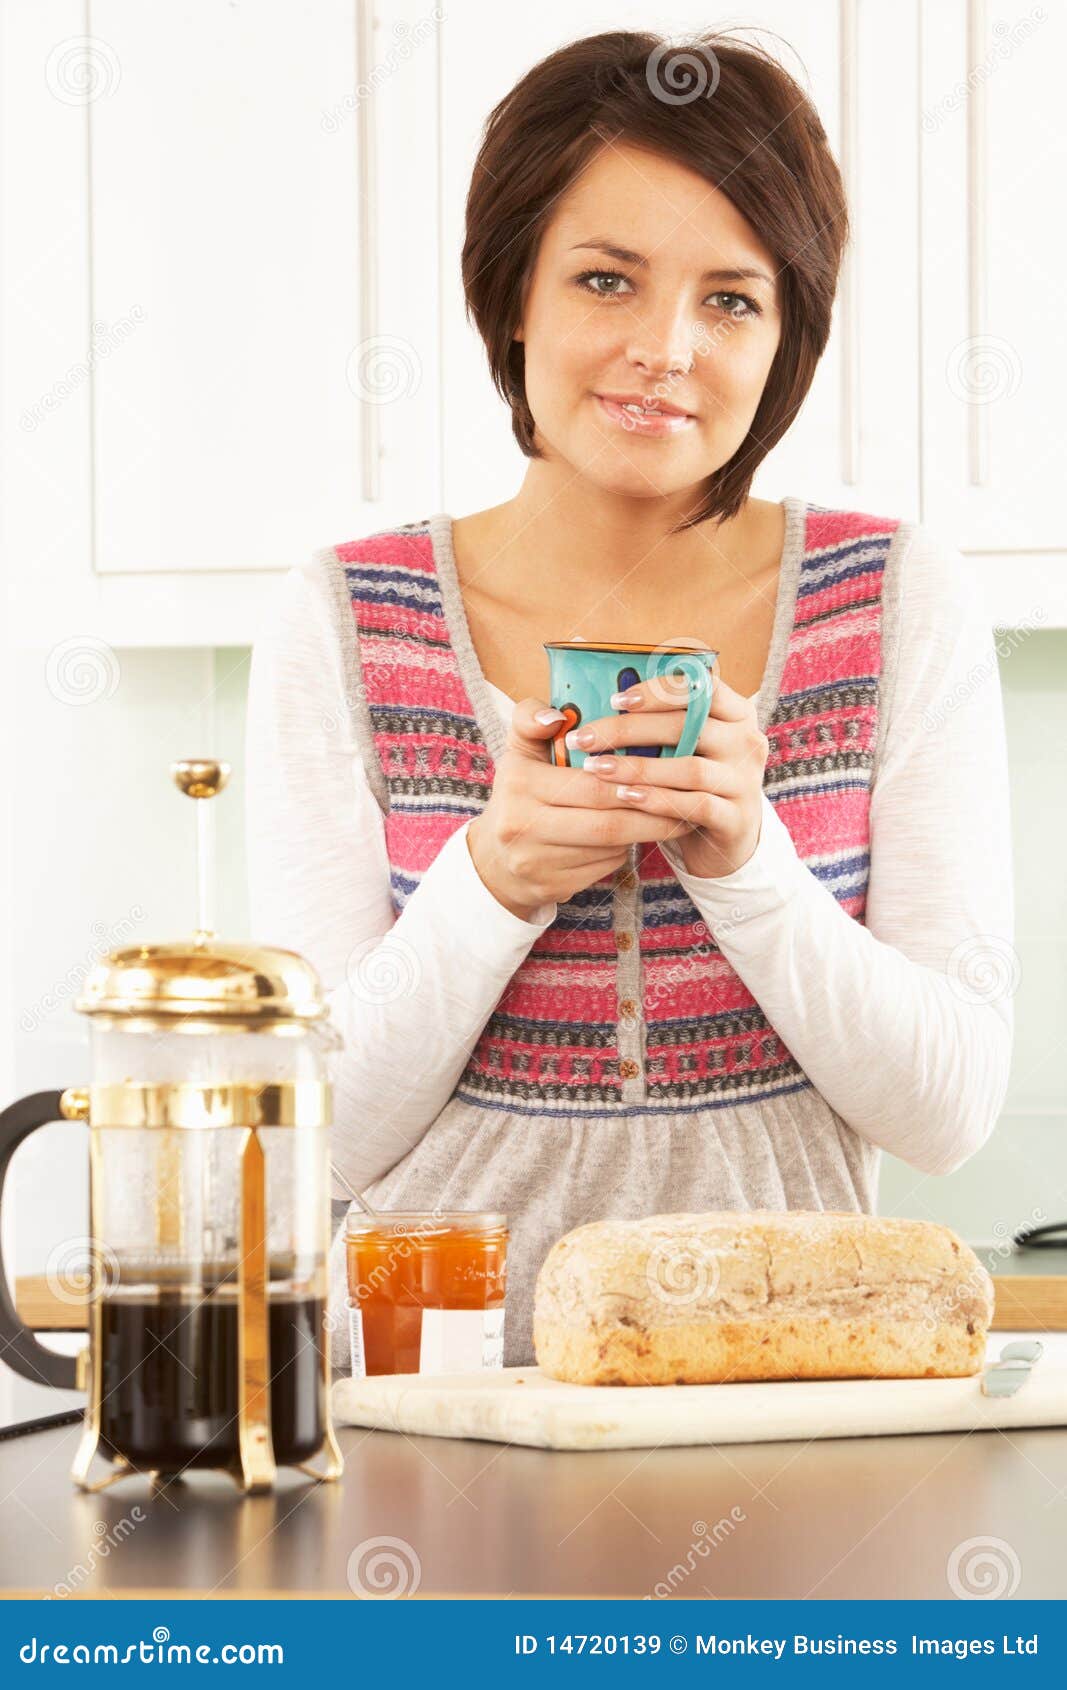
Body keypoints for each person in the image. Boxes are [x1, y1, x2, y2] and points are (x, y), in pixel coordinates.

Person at [245, 32, 1014, 1370]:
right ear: (515, 295)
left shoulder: (894, 599)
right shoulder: (345, 617)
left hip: (788, 1404)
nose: (667, 350)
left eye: (733, 300)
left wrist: (752, 870)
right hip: (444, 1416)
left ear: (786, 336)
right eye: (607, 279)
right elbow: (316, 1138)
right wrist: (493, 880)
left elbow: (946, 1110)